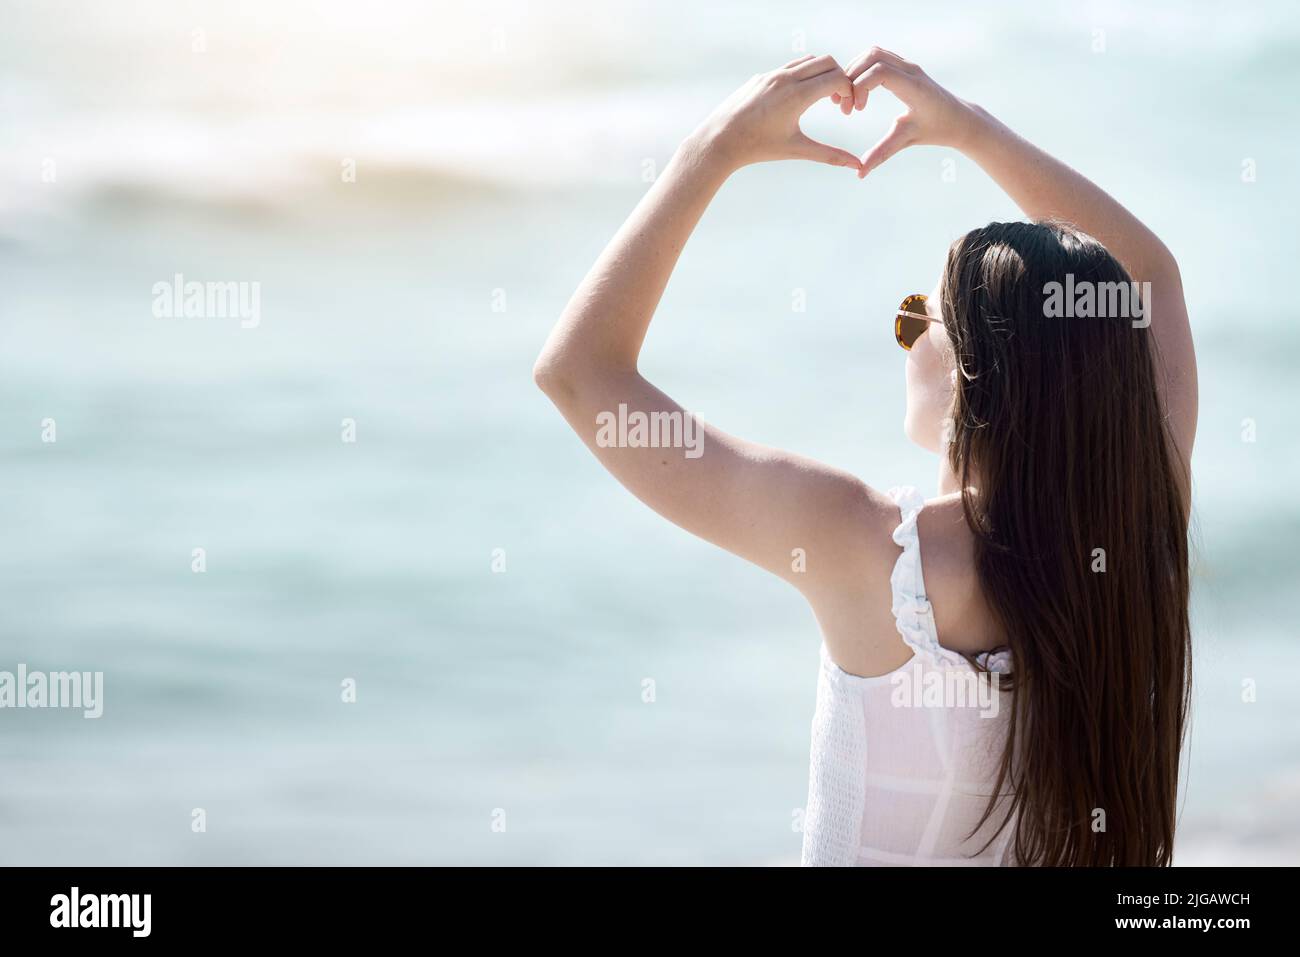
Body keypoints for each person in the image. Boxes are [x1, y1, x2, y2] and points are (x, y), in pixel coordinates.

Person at [534, 48, 1196, 866]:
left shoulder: (874, 552)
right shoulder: (1142, 526)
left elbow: (577, 373)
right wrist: (971, 129)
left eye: (916, 318)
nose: (905, 334)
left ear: (971, 378)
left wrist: (715, 147)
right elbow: (1148, 277)